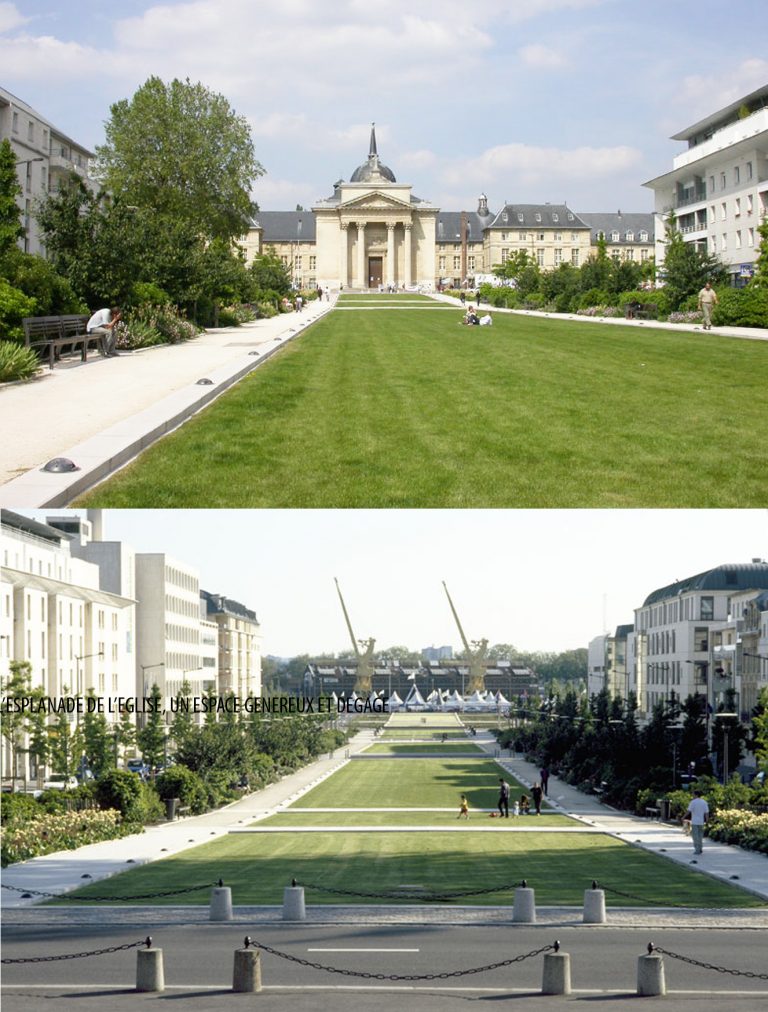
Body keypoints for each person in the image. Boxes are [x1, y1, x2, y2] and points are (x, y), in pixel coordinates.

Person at [685, 789, 709, 855]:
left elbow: (689, 811)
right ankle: (700, 848)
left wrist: (683, 817)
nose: (692, 795)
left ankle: (697, 849)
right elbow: (706, 812)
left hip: (695, 822)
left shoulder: (693, 802)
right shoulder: (704, 802)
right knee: (700, 836)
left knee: (695, 836)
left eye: (693, 794)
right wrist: (707, 820)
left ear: (696, 795)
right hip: (701, 822)